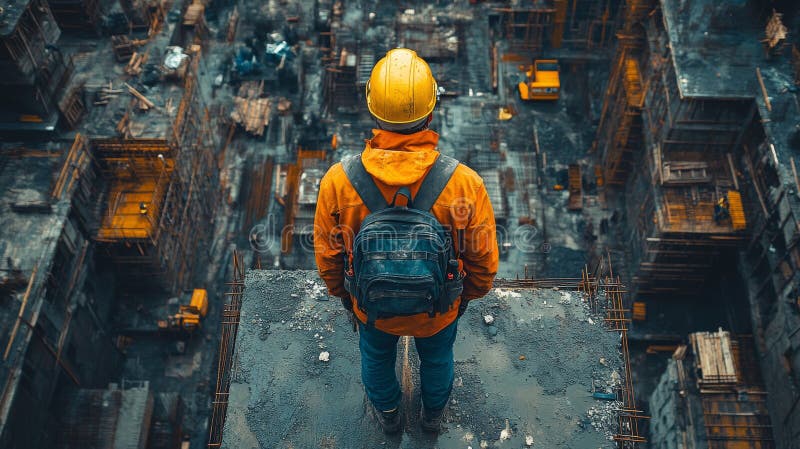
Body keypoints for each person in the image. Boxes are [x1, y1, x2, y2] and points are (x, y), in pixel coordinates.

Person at [314, 48, 499, 434]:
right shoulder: (464, 183)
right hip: (438, 309)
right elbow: (482, 262)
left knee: (377, 359)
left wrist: (348, 298)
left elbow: (329, 257)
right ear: (431, 114)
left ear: (372, 112)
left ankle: (389, 414)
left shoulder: (338, 180)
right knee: (436, 360)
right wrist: (464, 298)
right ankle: (432, 417)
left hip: (373, 308)